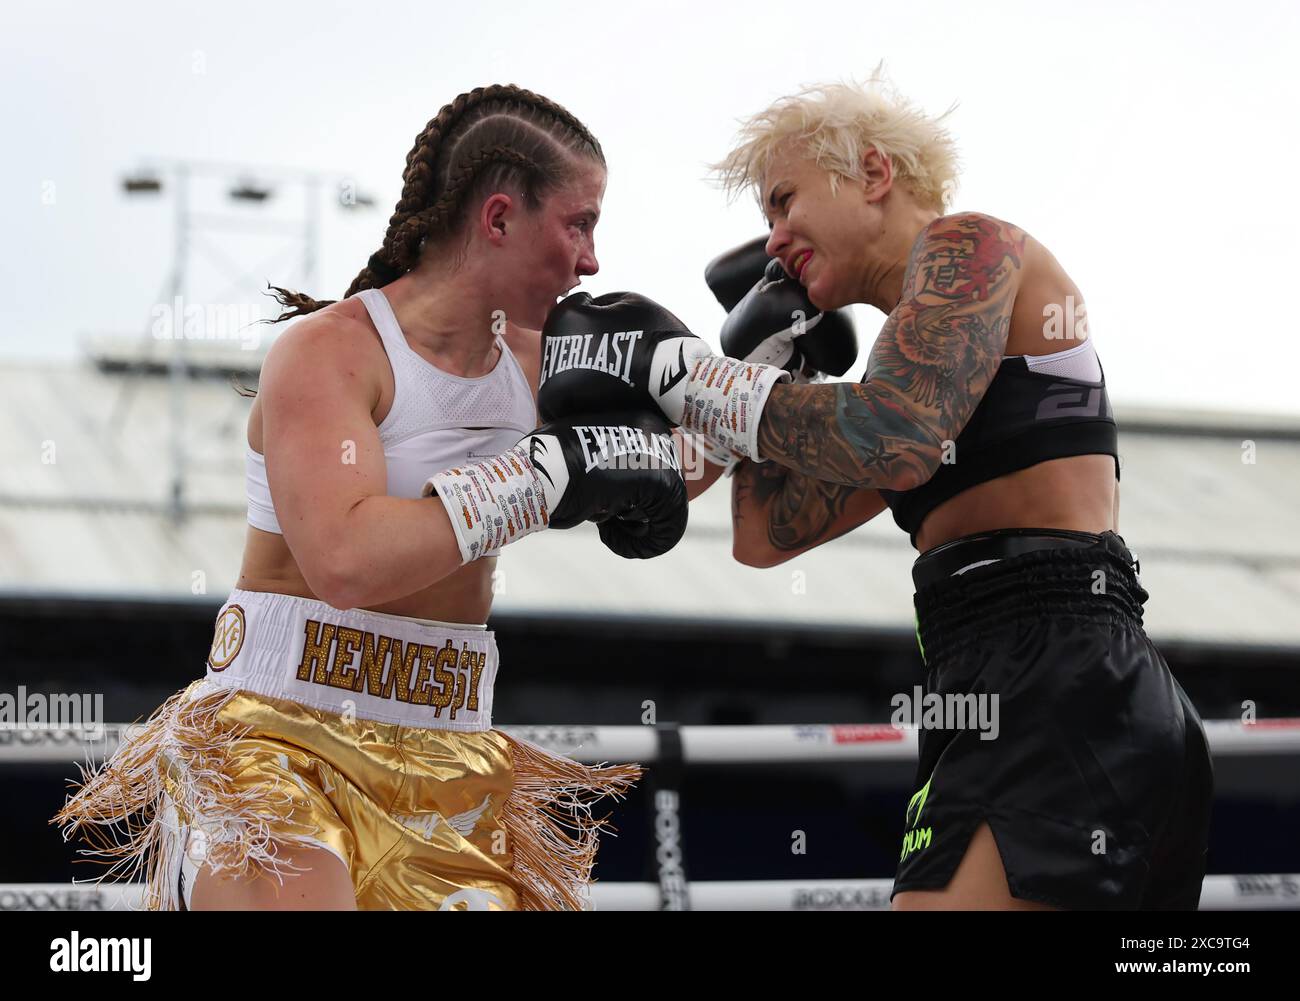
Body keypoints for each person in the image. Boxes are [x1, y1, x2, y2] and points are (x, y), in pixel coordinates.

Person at [535, 72, 1213, 911]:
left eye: (785, 202)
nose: (776, 240)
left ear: (874, 174)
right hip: (990, 676)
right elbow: (766, 536)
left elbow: (891, 436)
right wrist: (778, 363)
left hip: (1062, 673)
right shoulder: (910, 365)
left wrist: (681, 373)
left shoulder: (972, 246)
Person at [53, 84, 696, 912]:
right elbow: (346, 561)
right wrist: (548, 474)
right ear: (498, 219)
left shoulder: (543, 370)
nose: (592, 261)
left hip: (446, 748)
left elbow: (666, 469)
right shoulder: (329, 355)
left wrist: (748, 368)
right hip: (276, 734)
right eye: (580, 223)